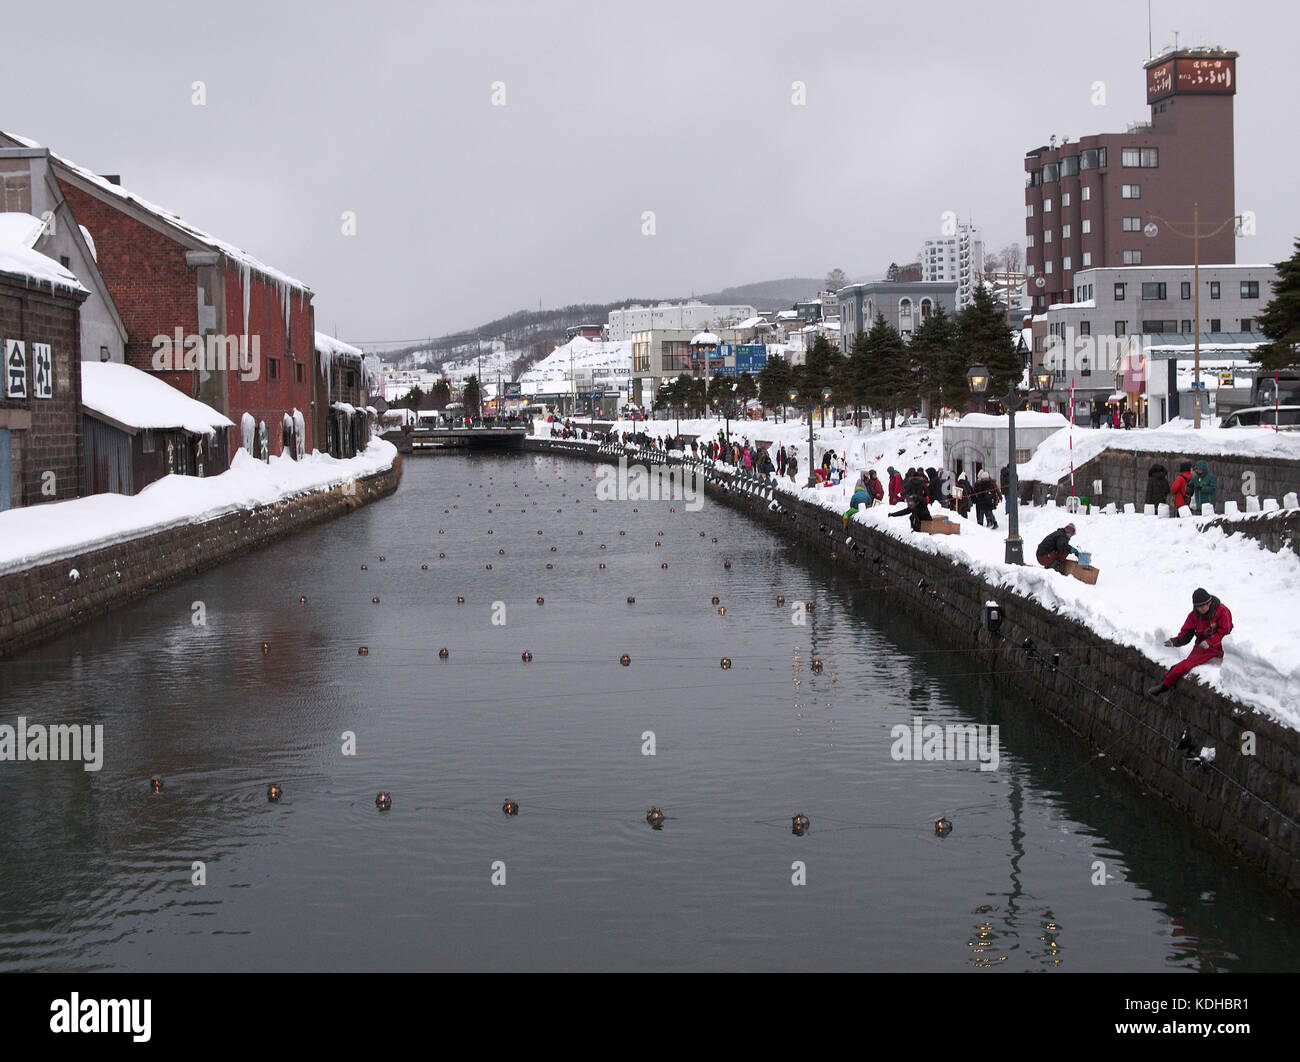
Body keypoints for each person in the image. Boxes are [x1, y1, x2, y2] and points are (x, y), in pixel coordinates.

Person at [1148, 588, 1232, 697]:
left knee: (1185, 665)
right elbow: (1186, 634)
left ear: (1209, 602)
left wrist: (1210, 642)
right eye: (1197, 607)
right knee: (1186, 666)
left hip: (1219, 645)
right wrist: (1175, 641)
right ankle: (1168, 681)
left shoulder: (1222, 611)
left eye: (1202, 606)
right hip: (1202, 647)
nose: (1200, 609)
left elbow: (1225, 632)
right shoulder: (1193, 616)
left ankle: (1168, 681)